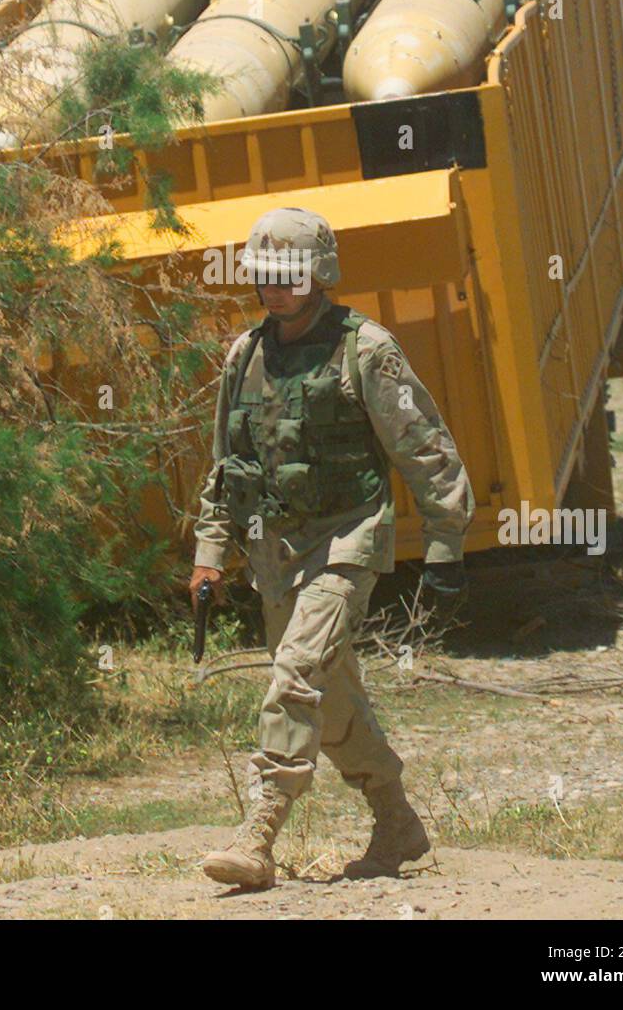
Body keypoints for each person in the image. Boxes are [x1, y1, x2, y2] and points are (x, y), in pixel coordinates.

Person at [189, 206, 474, 890]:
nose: (275, 290)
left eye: (288, 276)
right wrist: (209, 551)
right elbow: (226, 466)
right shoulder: (246, 356)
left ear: (319, 274)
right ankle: (396, 821)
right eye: (264, 278)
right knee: (334, 702)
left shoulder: (365, 350)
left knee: (294, 674)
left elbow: (425, 449)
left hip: (349, 538)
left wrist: (445, 546)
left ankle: (259, 832)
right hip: (276, 552)